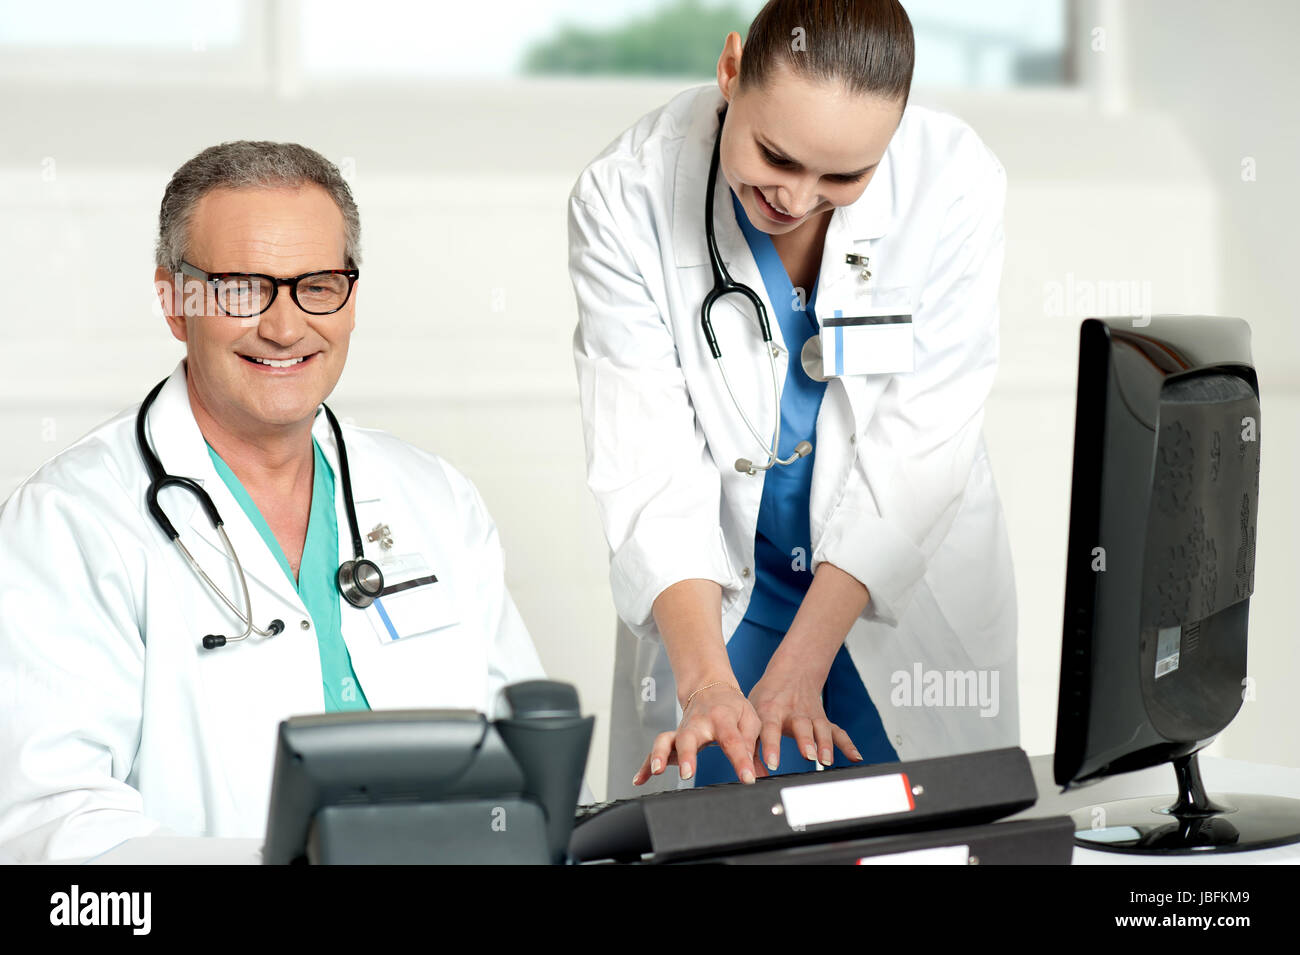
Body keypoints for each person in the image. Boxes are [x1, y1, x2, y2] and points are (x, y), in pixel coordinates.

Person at [0, 141, 548, 862]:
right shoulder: (69, 522)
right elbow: (51, 829)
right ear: (173, 300)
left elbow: (525, 764)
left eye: (317, 284)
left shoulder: (435, 497)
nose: (285, 327)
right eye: (239, 288)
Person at [568, 0, 1018, 797]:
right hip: (716, 600)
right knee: (711, 825)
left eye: (844, 176)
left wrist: (802, 666)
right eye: (774, 155)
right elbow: (648, 463)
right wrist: (707, 685)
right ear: (731, 69)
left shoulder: (954, 181)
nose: (798, 197)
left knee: (928, 831)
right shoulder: (626, 194)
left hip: (883, 588)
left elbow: (922, 443)